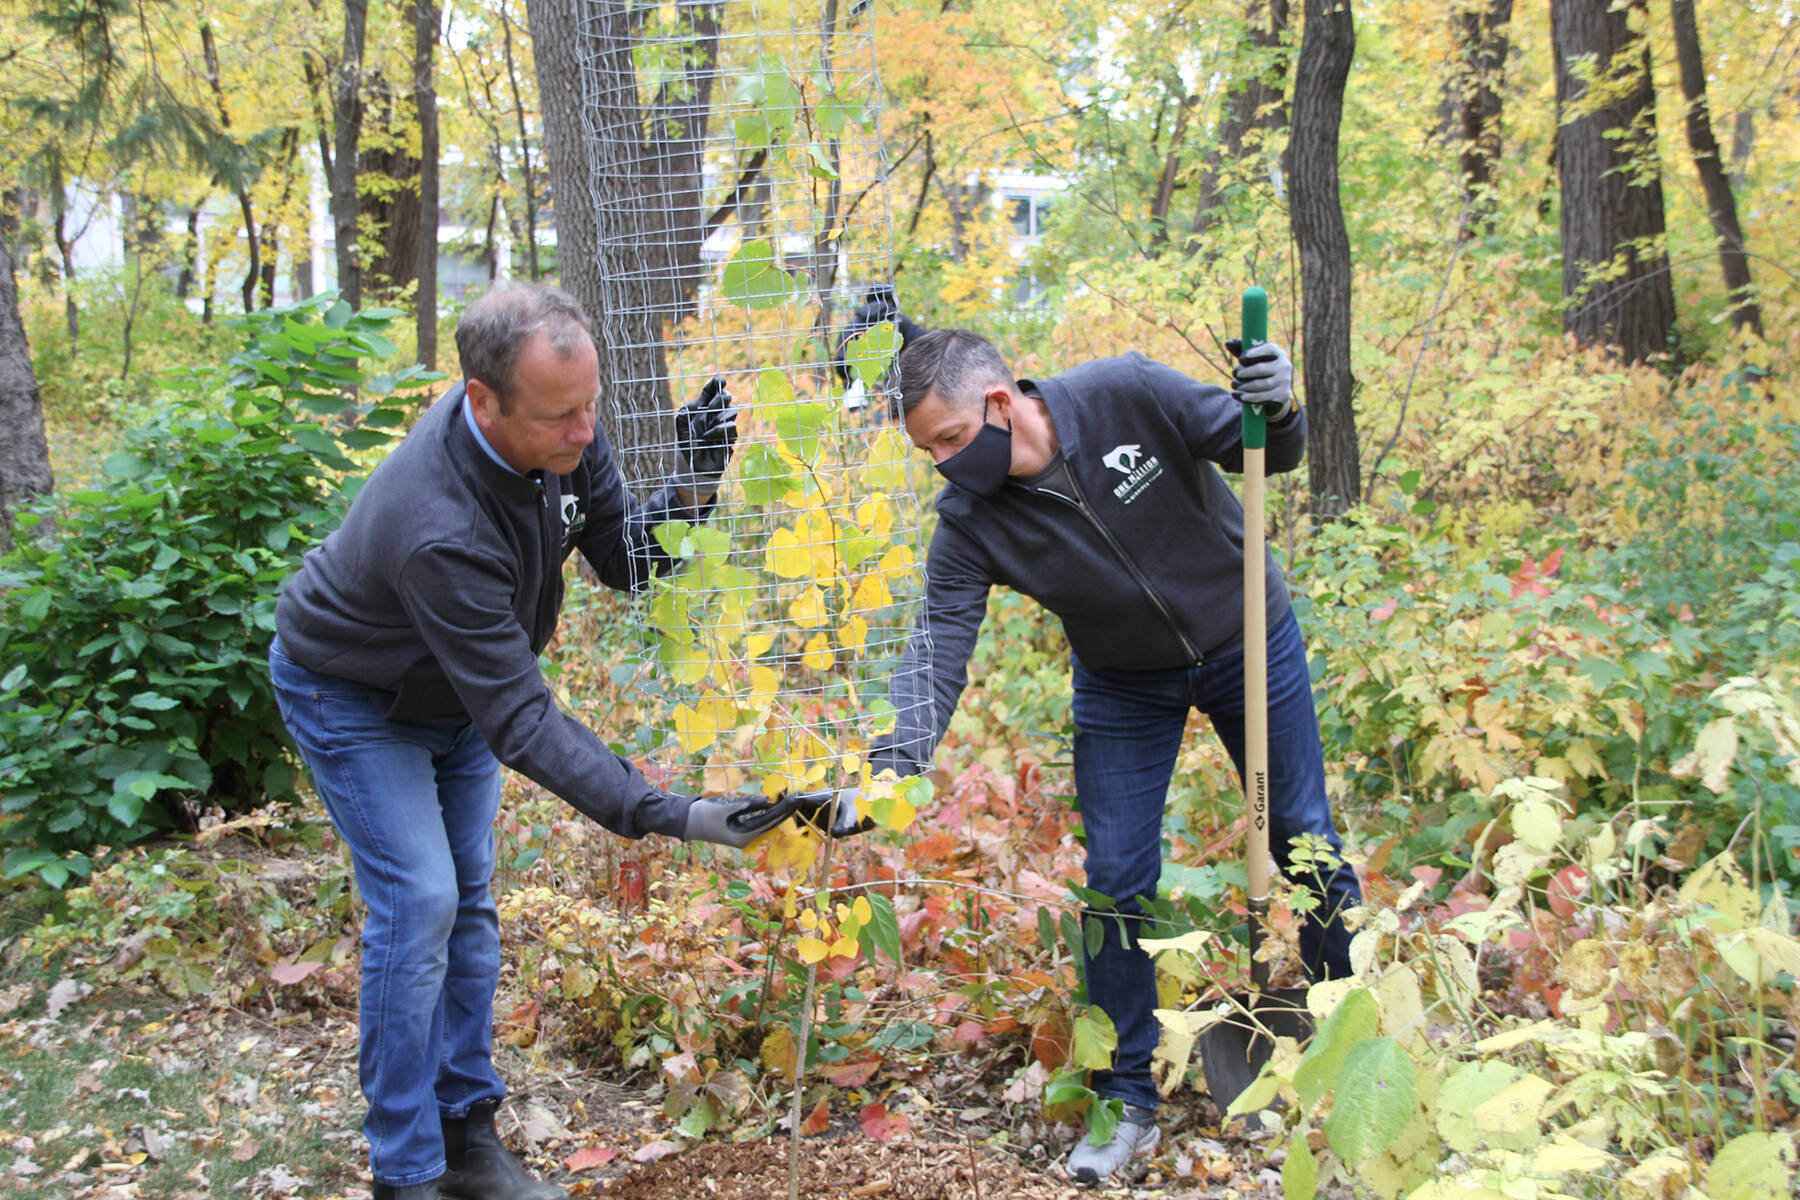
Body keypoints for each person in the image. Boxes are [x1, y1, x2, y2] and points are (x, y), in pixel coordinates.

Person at [269, 283, 833, 1200]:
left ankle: (467, 1134)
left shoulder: (562, 425)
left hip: (458, 694)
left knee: (471, 907)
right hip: (356, 695)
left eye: (591, 406)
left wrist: (689, 488)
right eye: (561, 415)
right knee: (421, 903)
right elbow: (524, 720)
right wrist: (673, 814)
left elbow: (619, 558)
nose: (584, 432)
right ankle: (406, 1174)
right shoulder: (436, 525)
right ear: (482, 401)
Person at [866, 326, 1363, 1185]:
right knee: (1117, 881)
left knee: (1301, 838)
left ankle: (1352, 1037)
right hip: (1124, 684)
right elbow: (939, 641)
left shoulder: (1125, 392)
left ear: (997, 403)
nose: (945, 463)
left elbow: (1266, 449)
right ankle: (1124, 1097)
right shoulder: (971, 519)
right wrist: (895, 757)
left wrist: (1280, 404)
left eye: (949, 441)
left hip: (1247, 631)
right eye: (930, 451)